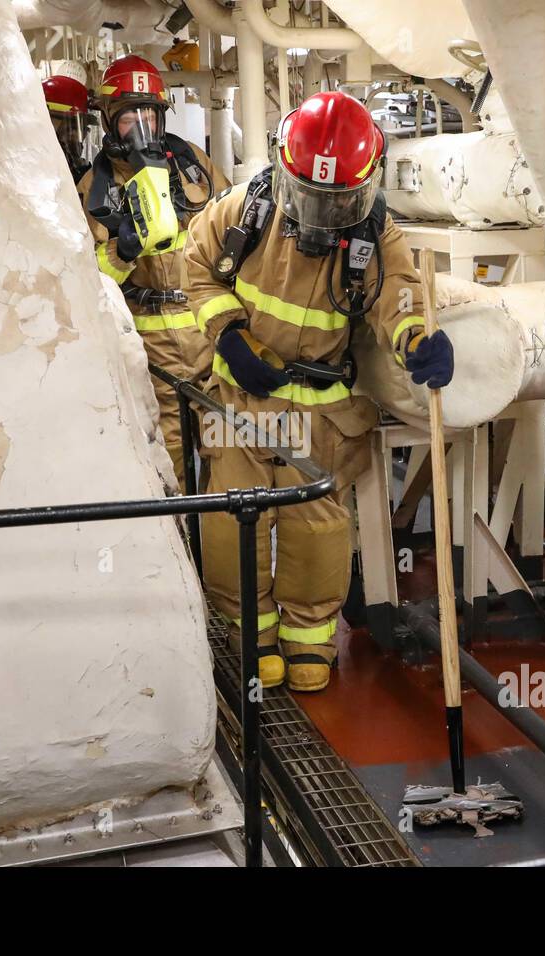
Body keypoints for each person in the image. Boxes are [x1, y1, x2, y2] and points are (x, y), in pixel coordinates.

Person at [183, 91, 455, 692]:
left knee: (315, 529)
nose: (319, 214)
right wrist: (228, 334)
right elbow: (195, 264)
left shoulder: (377, 238)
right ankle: (247, 634)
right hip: (241, 403)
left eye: (337, 203)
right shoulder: (243, 214)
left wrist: (418, 341)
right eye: (307, 197)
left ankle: (310, 638)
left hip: (322, 413)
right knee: (233, 521)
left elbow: (400, 297)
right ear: (284, 173)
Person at [77, 55, 229, 488]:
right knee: (169, 466)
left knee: (228, 461)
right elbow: (88, 283)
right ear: (110, 121)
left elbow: (231, 232)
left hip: (210, 337)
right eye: (130, 115)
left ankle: (222, 553)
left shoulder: (193, 163)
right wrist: (122, 251)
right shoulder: (95, 189)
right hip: (153, 351)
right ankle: (181, 552)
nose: (142, 124)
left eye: (150, 112)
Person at [41, 74, 96, 184]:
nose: (75, 138)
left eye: (80, 130)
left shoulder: (88, 181)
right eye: (69, 130)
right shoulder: (31, 178)